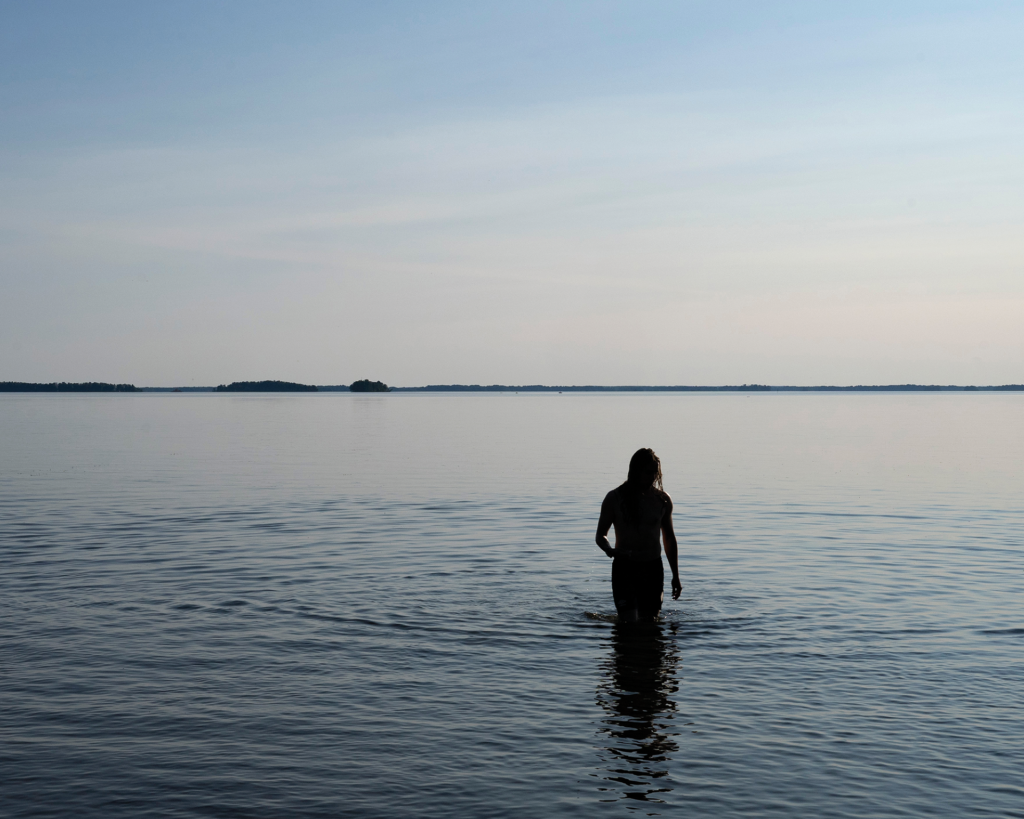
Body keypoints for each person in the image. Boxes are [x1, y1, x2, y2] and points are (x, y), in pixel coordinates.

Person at [595, 448, 681, 622]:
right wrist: (610, 550)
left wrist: (676, 576)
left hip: (653, 568)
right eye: (648, 472)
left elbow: (669, 538)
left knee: (650, 624)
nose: (653, 477)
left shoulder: (662, 500)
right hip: (625, 568)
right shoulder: (615, 498)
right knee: (627, 623)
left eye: (655, 473)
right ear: (636, 471)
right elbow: (601, 535)